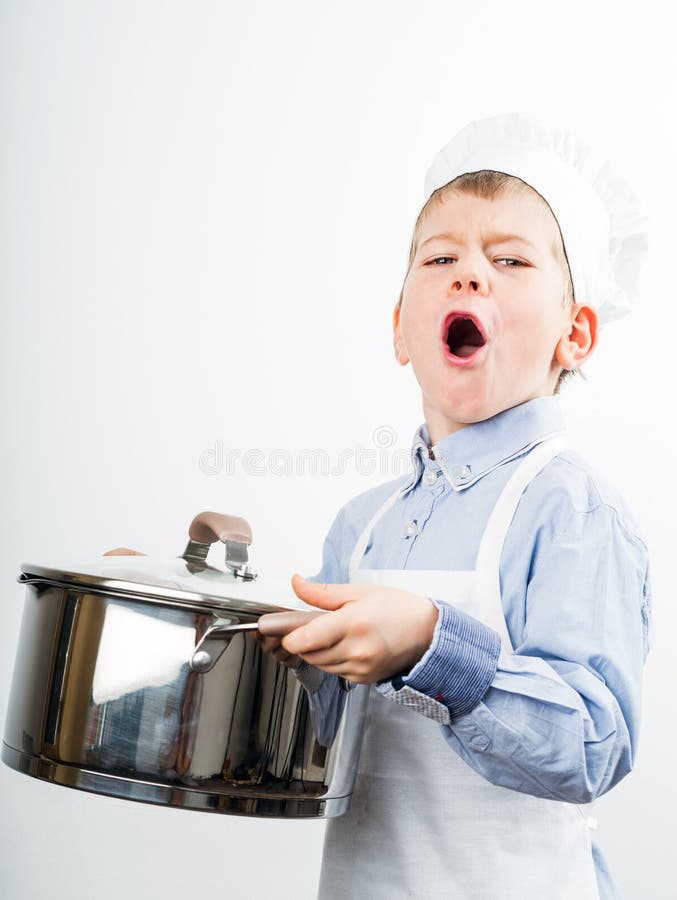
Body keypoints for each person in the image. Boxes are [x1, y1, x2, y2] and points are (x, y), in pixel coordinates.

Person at [257, 114, 651, 899]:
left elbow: (592, 747)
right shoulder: (359, 524)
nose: (468, 272)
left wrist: (431, 647)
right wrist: (198, 612)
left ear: (574, 334)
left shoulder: (570, 509)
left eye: (509, 259)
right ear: (400, 330)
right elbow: (313, 745)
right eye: (440, 258)